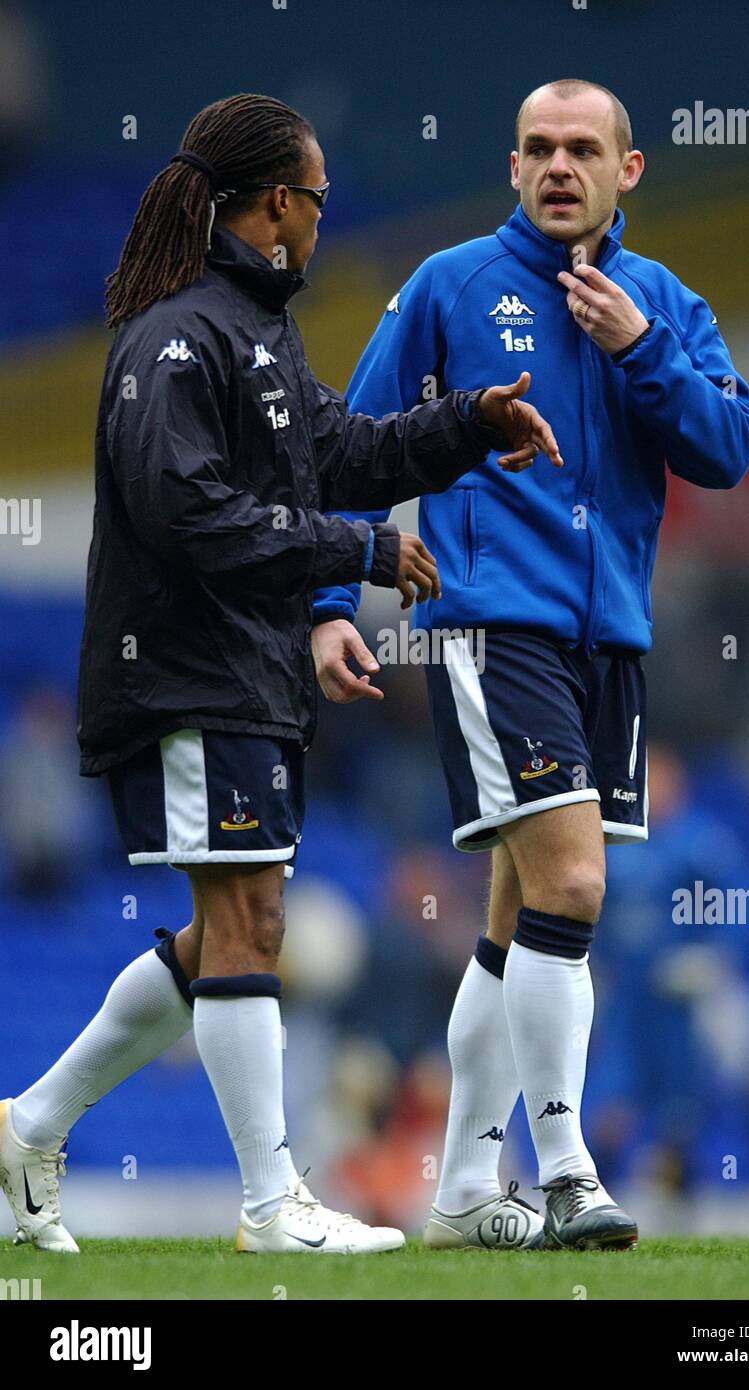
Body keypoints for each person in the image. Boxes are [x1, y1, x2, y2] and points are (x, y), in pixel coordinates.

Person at [0, 92, 563, 1256]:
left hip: (241, 673)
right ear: (273, 205)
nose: (320, 219)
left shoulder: (251, 332)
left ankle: (30, 1125)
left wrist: (465, 424)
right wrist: (352, 551)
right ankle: (272, 1205)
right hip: (185, 672)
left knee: (225, 936)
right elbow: (187, 509)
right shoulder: (176, 337)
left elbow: (340, 452)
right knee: (251, 917)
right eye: (314, 199)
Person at [311, 79, 749, 1250]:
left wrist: (641, 350)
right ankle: (564, 1169)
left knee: (518, 924)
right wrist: (325, 604)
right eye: (538, 149)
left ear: (629, 169)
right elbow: (346, 452)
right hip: (491, 626)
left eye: (582, 149)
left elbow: (725, 449)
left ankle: (459, 1188)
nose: (559, 167)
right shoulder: (448, 284)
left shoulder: (661, 304)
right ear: (512, 166)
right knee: (570, 887)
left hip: (611, 641)